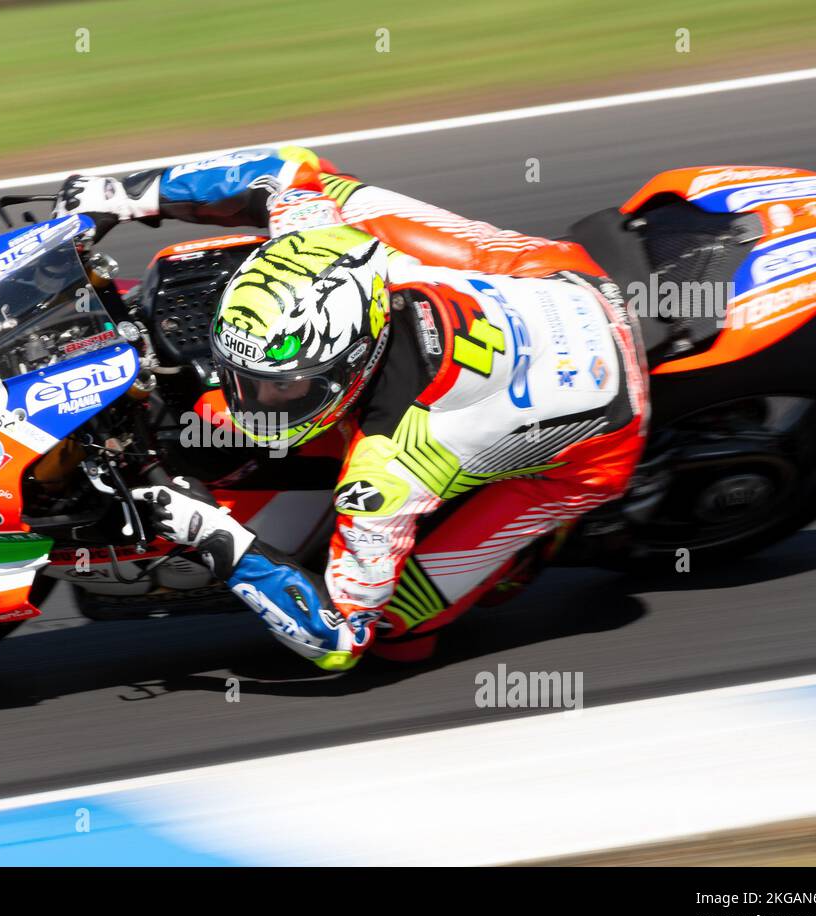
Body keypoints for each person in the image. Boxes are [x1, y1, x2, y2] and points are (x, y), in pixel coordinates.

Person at [53, 146, 649, 671]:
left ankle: (544, 537)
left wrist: (211, 532)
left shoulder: (391, 471)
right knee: (328, 186)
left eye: (279, 389)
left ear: (351, 364)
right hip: (556, 278)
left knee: (397, 630)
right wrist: (123, 196)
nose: (248, 401)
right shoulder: (325, 242)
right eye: (245, 378)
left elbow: (341, 639)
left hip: (604, 427)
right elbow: (285, 168)